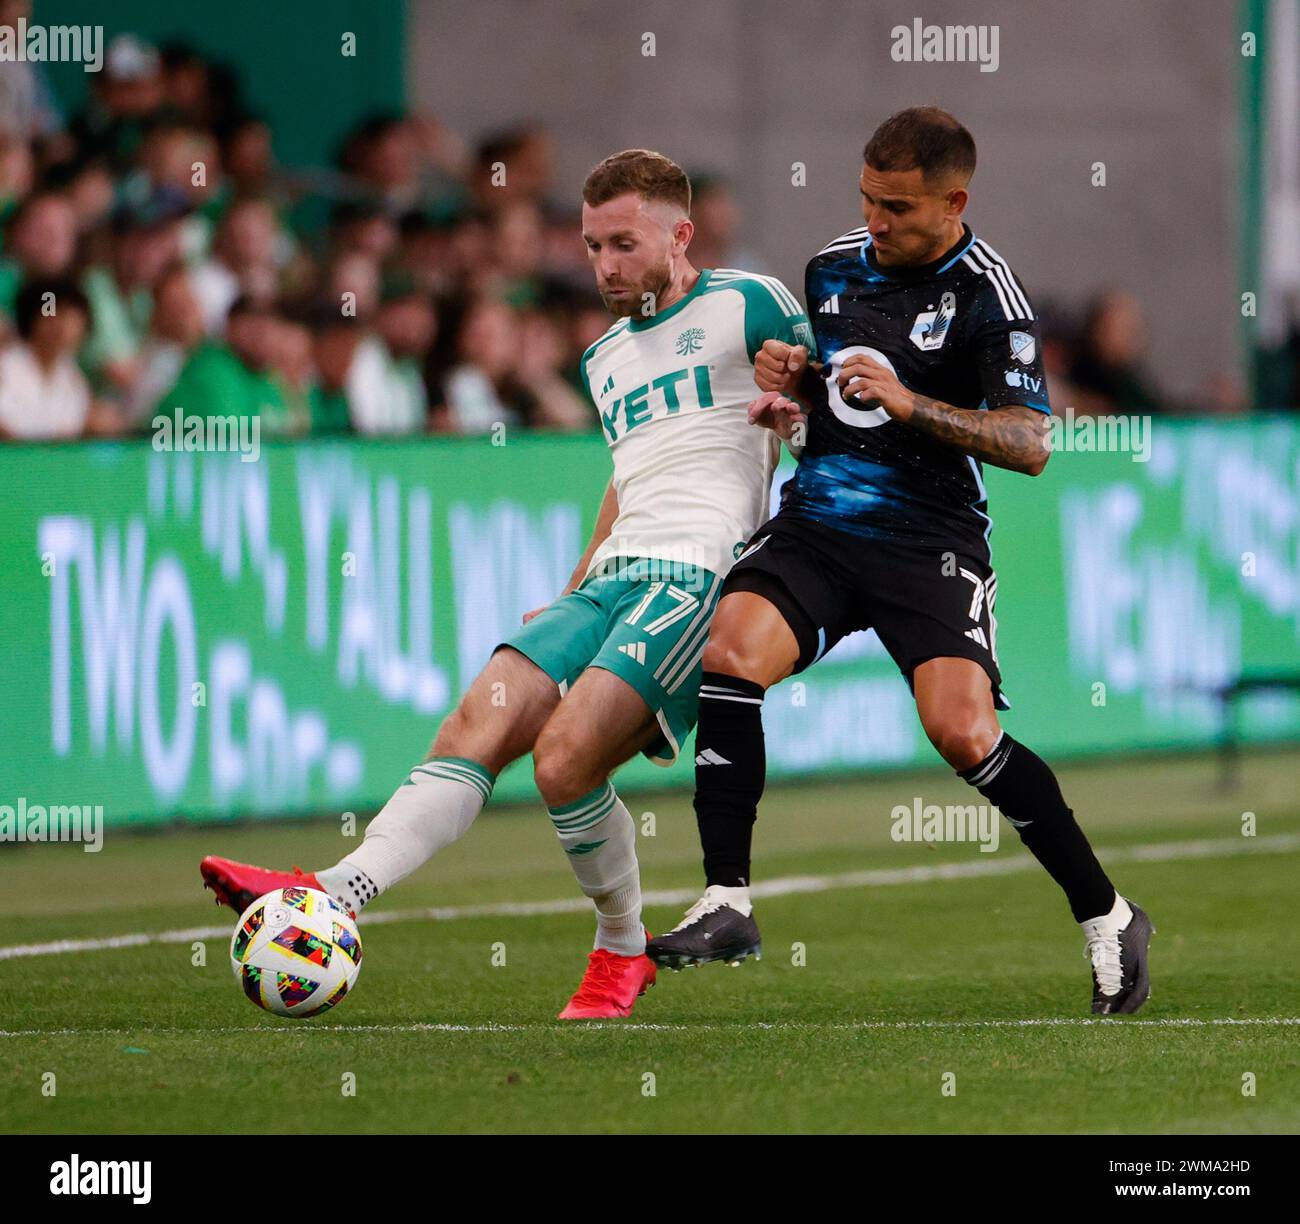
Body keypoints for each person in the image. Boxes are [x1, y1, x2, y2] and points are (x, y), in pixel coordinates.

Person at [200, 149, 813, 1019]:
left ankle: (619, 952)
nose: (603, 265)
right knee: (474, 720)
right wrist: (574, 596)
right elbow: (626, 478)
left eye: (623, 245)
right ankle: (330, 890)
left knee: (563, 762)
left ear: (680, 237)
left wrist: (799, 419)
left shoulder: (750, 303)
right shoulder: (603, 356)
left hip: (699, 575)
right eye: (593, 245)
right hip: (611, 579)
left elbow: (825, 423)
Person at [646, 108, 1155, 1017]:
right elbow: (840, 394)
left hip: (929, 540)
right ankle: (729, 901)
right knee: (732, 648)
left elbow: (1029, 444)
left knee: (961, 733)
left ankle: (1108, 914)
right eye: (867, 199)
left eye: (899, 207)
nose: (876, 221)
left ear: (954, 201)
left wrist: (912, 402)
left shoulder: (991, 294)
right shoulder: (834, 267)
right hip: (822, 520)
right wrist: (793, 384)